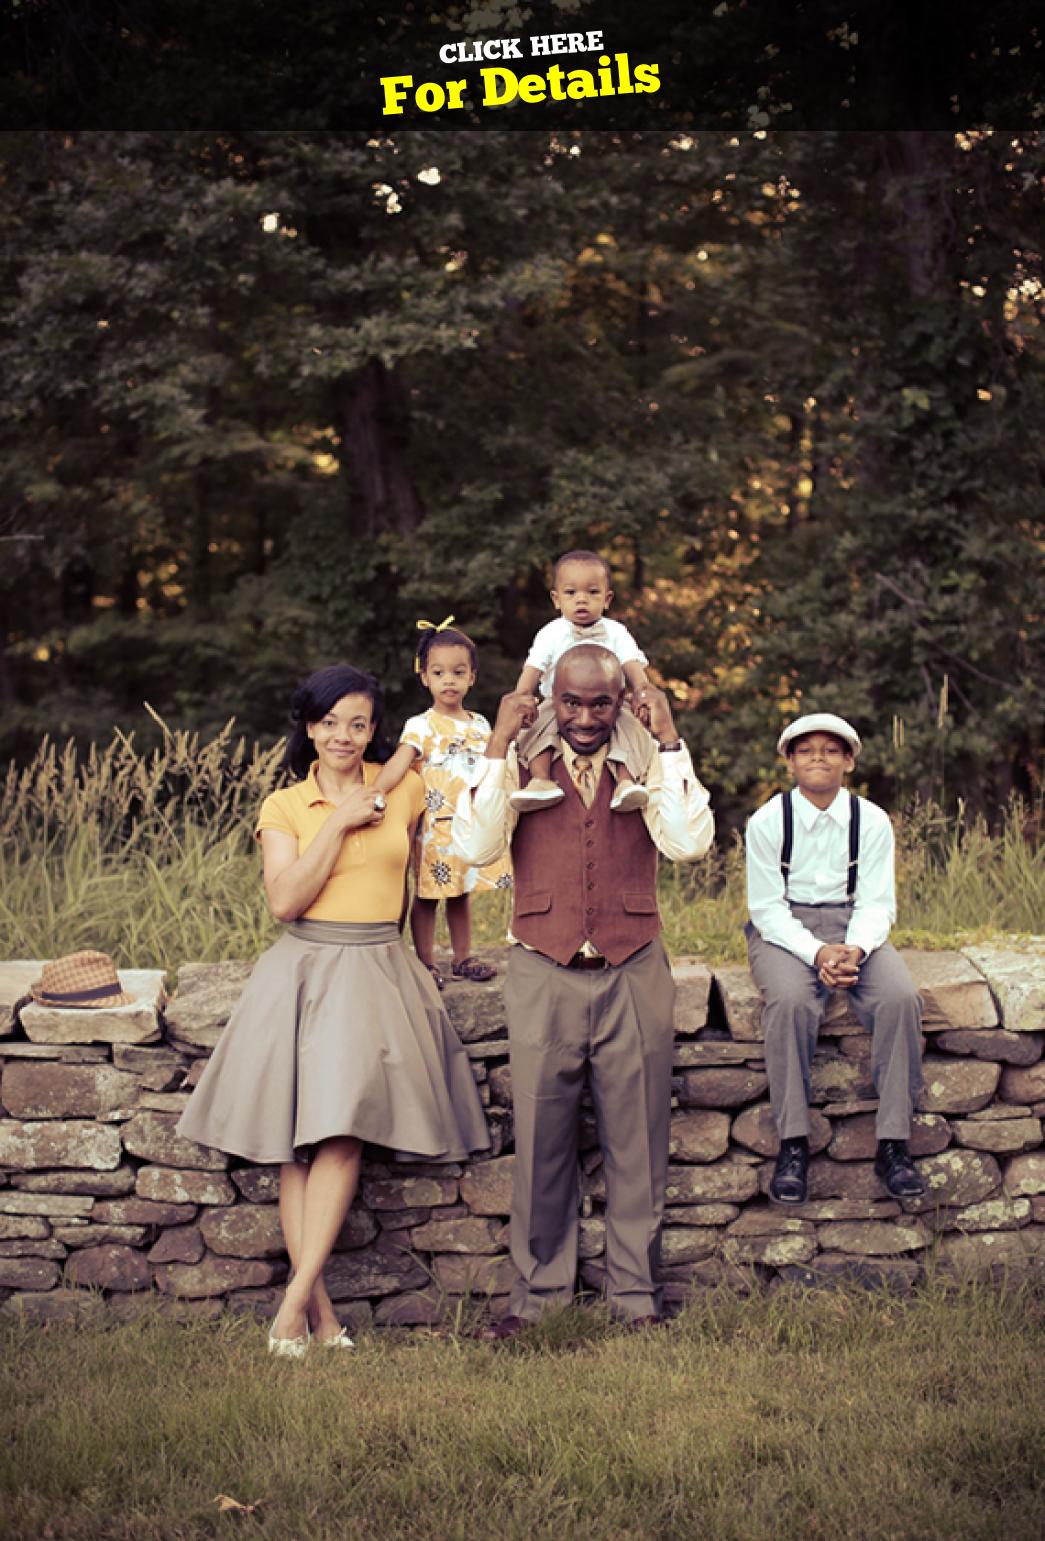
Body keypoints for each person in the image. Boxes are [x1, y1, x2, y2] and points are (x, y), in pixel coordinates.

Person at [177, 663, 489, 1356]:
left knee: (341, 1131)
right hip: (304, 969)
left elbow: (426, 878)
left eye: (357, 722)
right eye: (328, 722)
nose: (343, 735)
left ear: (375, 727)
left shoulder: (406, 789)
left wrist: (427, 957)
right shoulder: (283, 806)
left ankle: (293, 1305)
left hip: (377, 966)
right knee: (297, 1144)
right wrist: (341, 821)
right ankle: (317, 1317)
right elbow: (286, 900)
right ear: (309, 727)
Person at [452, 644, 714, 1335]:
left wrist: (670, 739)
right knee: (541, 1138)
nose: (586, 717)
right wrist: (497, 743)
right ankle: (536, 1301)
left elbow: (687, 844)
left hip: (633, 965)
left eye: (601, 702)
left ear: (619, 701)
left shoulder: (647, 759)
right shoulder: (518, 762)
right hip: (543, 965)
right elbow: (476, 850)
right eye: (571, 701)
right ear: (550, 699)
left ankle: (636, 1300)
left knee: (638, 1137)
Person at [744, 712, 925, 1206]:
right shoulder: (767, 821)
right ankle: (793, 1143)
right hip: (784, 929)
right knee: (790, 1003)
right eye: (806, 750)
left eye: (830, 749)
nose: (818, 757)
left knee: (899, 998)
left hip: (853, 925)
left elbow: (877, 902)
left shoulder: (871, 820)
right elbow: (765, 908)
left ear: (848, 760)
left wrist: (855, 949)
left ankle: (893, 1144)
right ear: (789, 762)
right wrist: (817, 952)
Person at [371, 619, 511, 990]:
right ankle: (426, 963)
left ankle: (463, 958)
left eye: (458, 672)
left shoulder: (480, 724)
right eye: (439, 672)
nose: (449, 680)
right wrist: (375, 793)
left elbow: (494, 766)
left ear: (472, 677)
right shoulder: (421, 725)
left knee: (461, 892)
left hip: (469, 822)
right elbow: (401, 762)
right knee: (428, 893)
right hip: (434, 825)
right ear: (424, 678)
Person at [510, 550, 654, 815]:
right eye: (571, 593)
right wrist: (522, 698)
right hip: (558, 703)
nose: (581, 600)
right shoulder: (551, 634)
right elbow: (532, 669)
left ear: (607, 599)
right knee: (534, 728)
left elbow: (633, 667)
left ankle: (625, 780)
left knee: (632, 728)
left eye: (592, 592)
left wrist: (643, 695)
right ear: (556, 599)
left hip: (607, 705)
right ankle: (540, 779)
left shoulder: (616, 633)